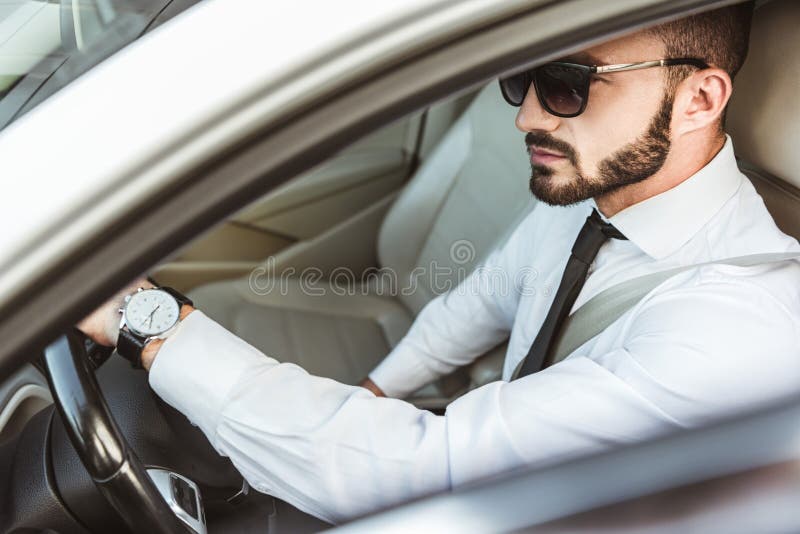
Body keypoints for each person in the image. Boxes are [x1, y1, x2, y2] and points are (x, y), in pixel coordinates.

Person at [79, 2, 800, 524]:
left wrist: (152, 322)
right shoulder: (600, 197)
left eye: (566, 83)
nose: (524, 117)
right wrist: (376, 390)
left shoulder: (735, 327)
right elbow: (481, 301)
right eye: (521, 77)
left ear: (699, 99)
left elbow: (426, 474)